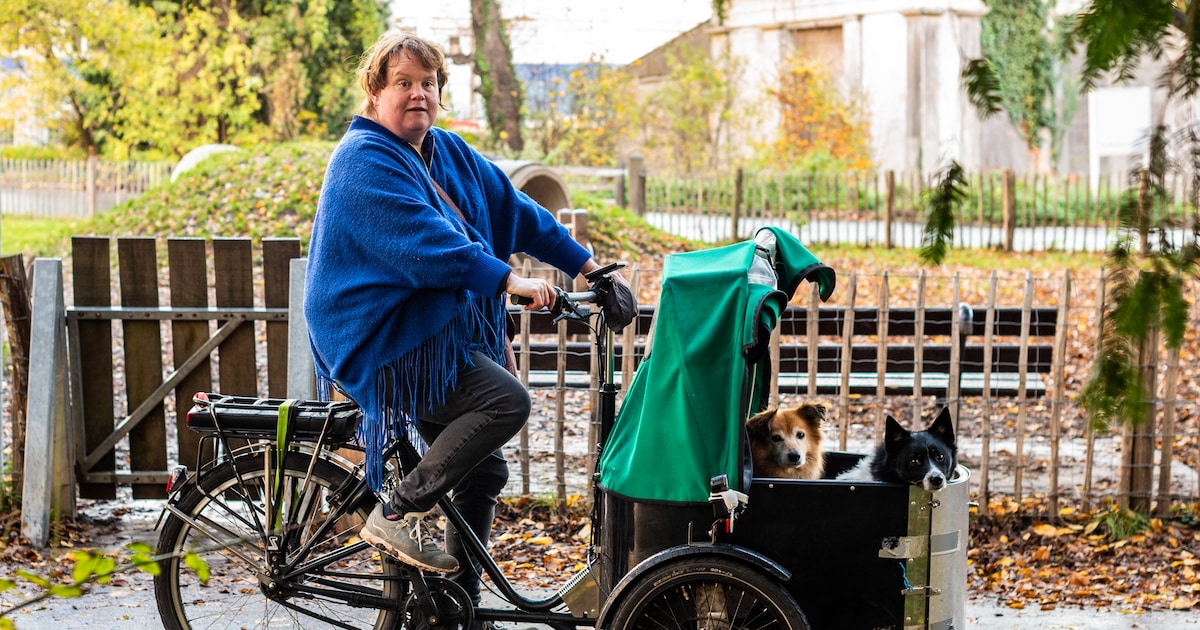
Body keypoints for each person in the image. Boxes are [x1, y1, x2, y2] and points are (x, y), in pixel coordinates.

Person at [302, 30, 635, 612]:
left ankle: (456, 612)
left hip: (428, 332)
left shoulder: (448, 151)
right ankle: (397, 511)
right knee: (504, 402)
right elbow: (426, 245)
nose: (418, 94)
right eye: (403, 83)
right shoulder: (362, 161)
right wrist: (507, 280)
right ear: (375, 93)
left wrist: (591, 270)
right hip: (382, 338)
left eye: (428, 83)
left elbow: (519, 212)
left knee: (483, 472)